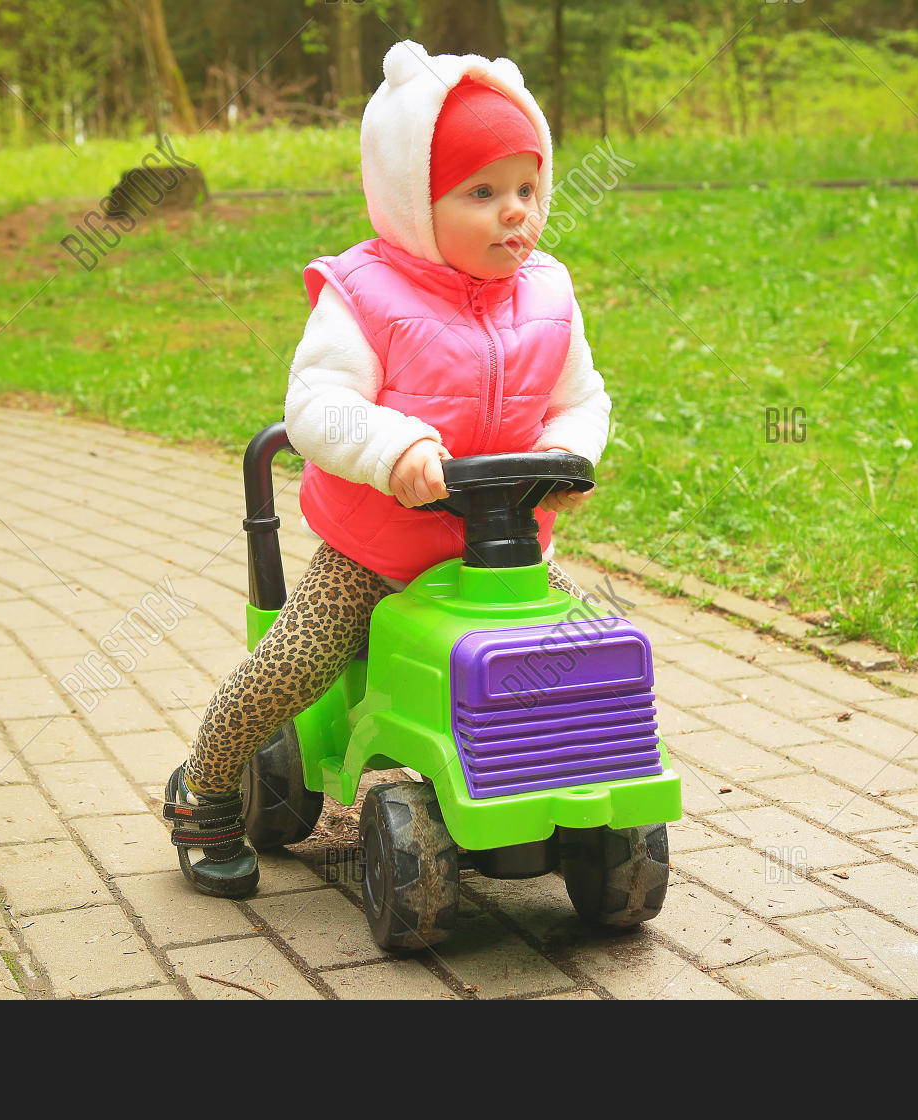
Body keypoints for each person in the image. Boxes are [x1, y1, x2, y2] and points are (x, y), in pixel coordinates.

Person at [164, 40, 612, 898]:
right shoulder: (366, 293)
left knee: (573, 667)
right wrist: (396, 448)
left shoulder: (550, 294)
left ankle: (557, 788)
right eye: (481, 194)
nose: (514, 212)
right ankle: (209, 788)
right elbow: (319, 406)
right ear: (415, 200)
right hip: (377, 552)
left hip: (505, 559)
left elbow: (582, 398)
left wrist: (571, 453)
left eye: (527, 188)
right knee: (293, 666)